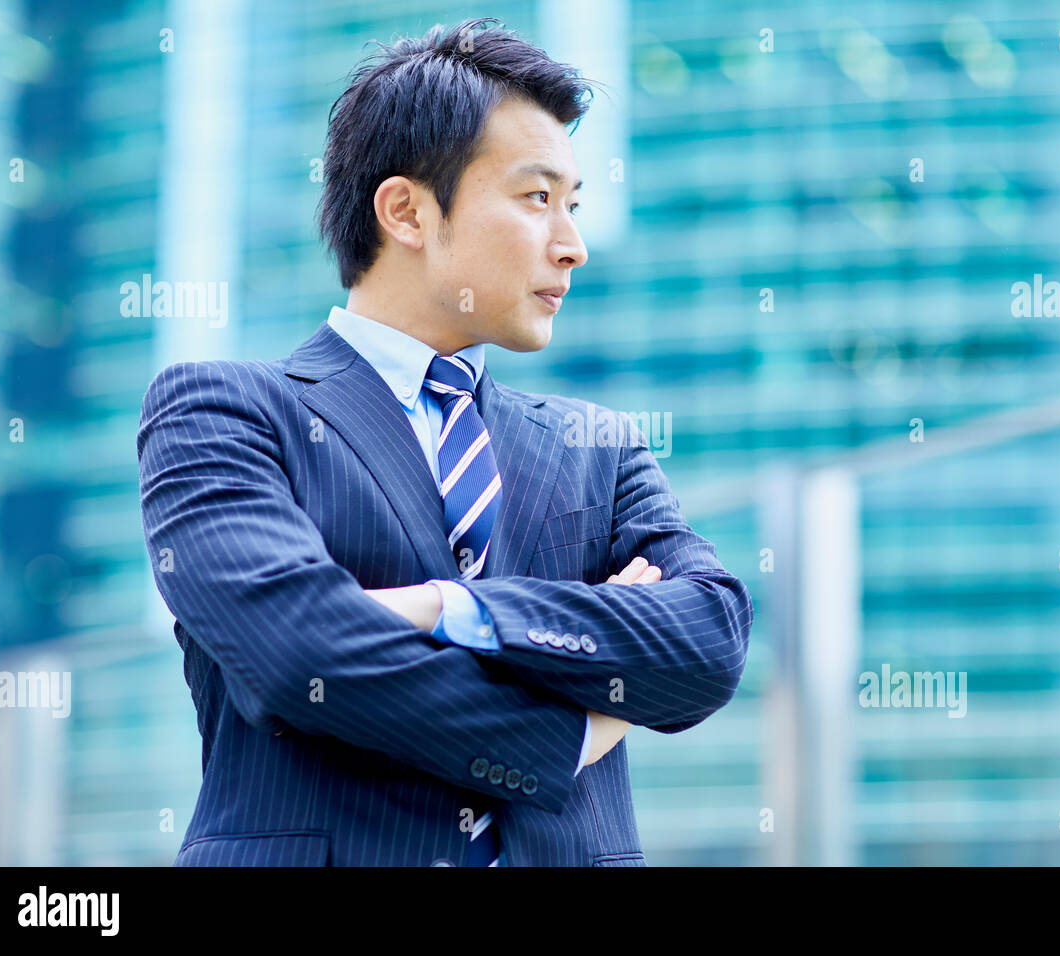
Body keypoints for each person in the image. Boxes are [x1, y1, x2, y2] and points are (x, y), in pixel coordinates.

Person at [137, 16, 752, 866]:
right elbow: (295, 650)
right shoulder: (222, 412)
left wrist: (447, 609)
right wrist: (568, 733)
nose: (570, 246)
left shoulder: (598, 447)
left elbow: (707, 642)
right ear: (407, 211)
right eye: (538, 199)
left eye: (573, 206)